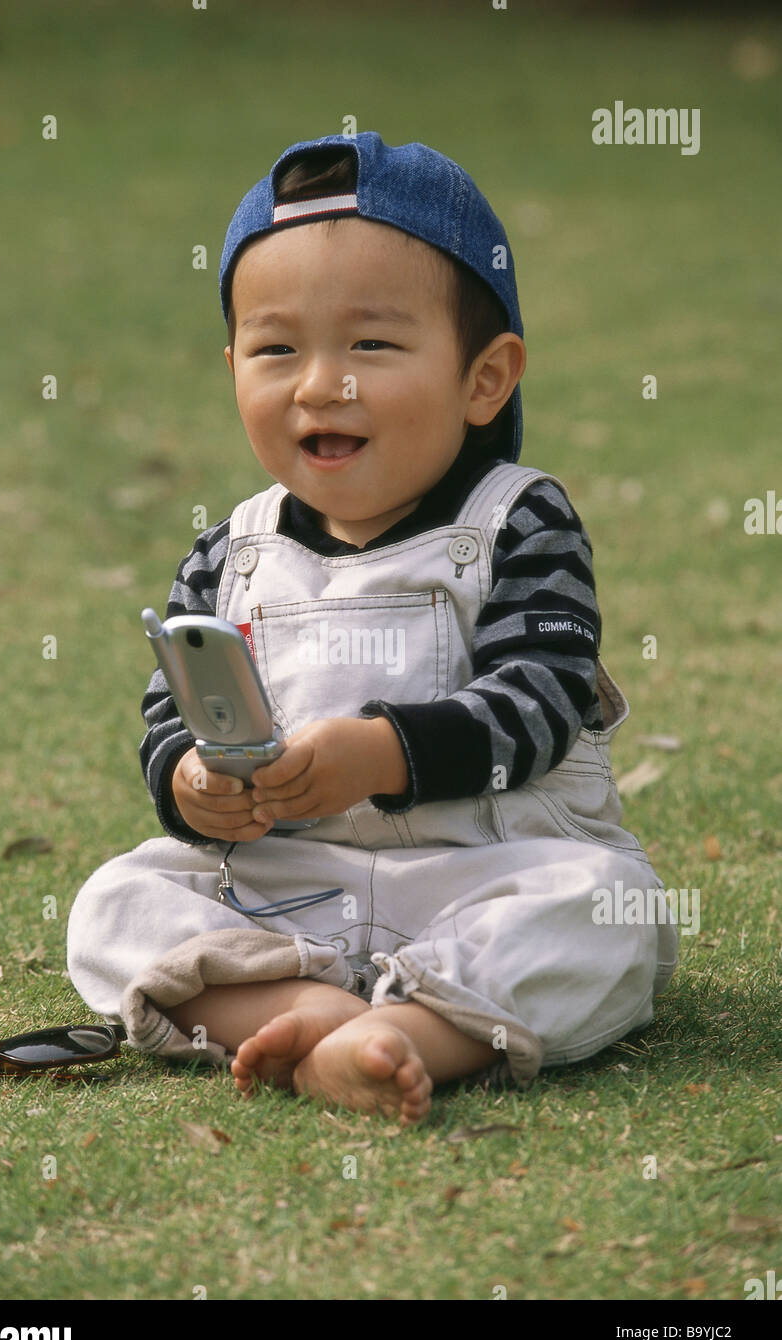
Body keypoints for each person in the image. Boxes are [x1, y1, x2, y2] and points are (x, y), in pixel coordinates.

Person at [67, 131, 677, 1125]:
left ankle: (401, 1036)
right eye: (276, 349)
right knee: (113, 904)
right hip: (290, 890)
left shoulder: (516, 520)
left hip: (488, 872)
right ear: (232, 367)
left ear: (485, 378)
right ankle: (301, 1006)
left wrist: (383, 751)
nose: (318, 383)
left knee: (605, 913)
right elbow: (170, 718)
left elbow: (542, 699)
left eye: (371, 345)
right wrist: (192, 784)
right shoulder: (229, 554)